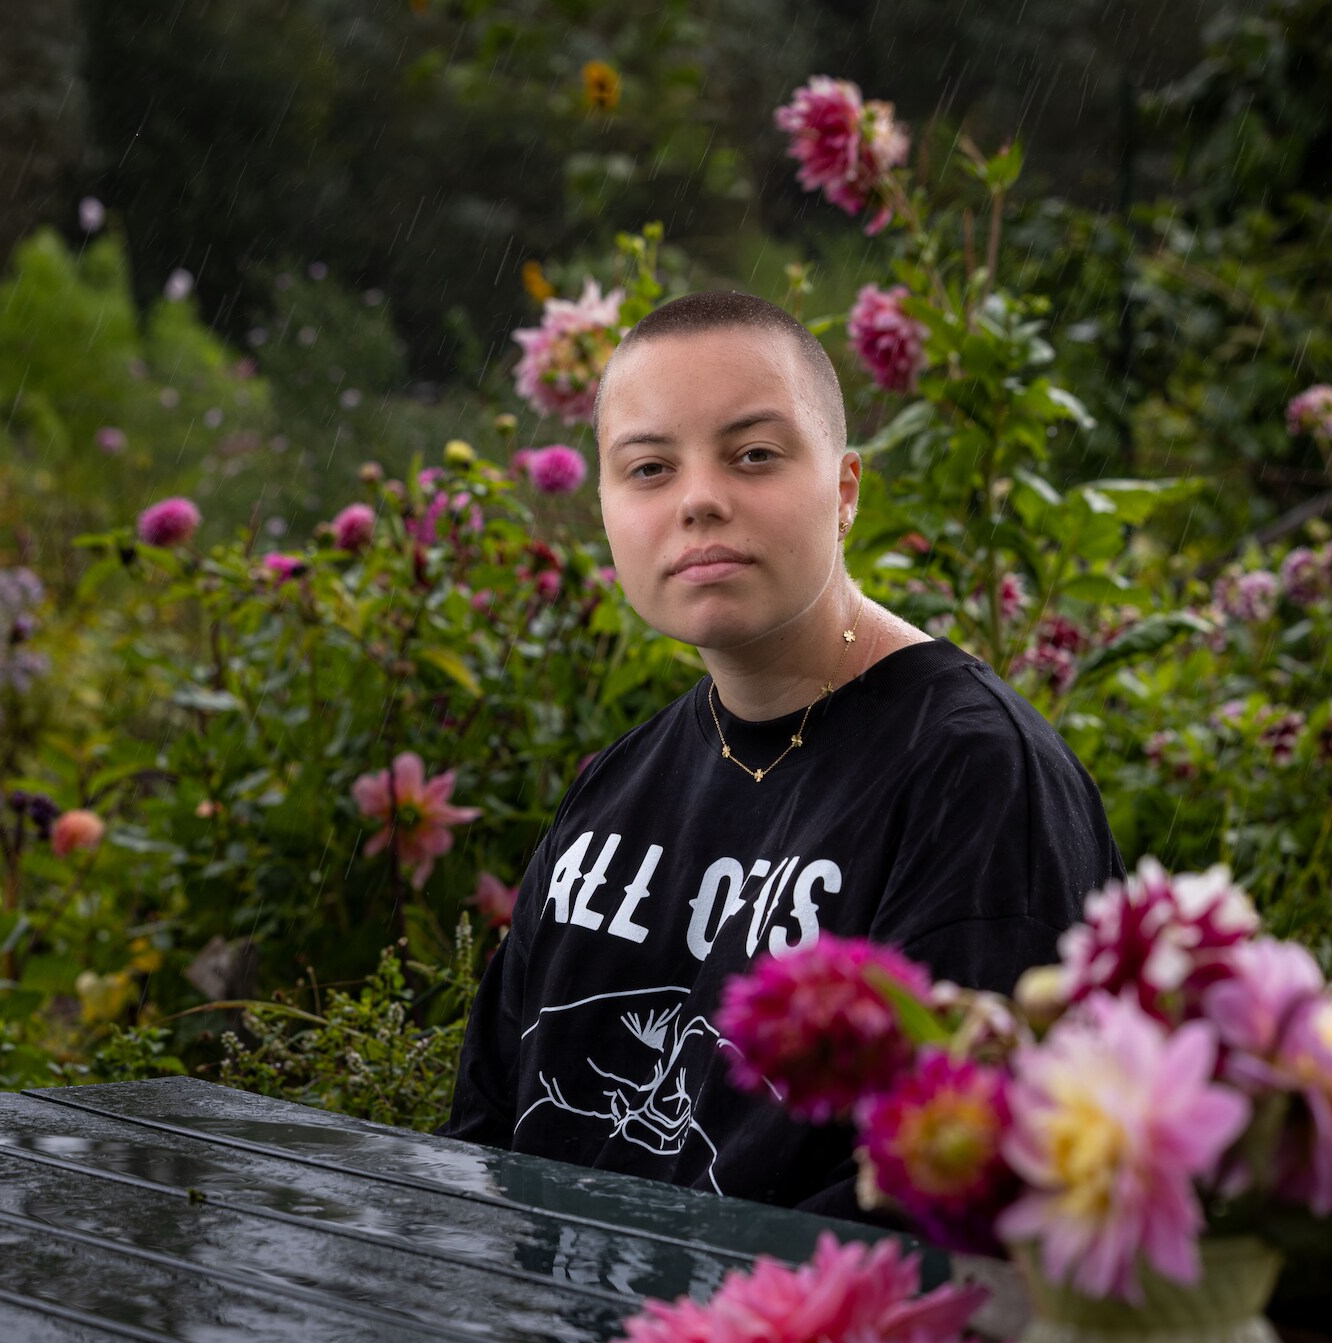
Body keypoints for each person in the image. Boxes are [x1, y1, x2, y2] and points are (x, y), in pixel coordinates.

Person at [437, 290, 1124, 1219]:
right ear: (603, 507)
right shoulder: (616, 787)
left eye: (754, 455)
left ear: (844, 490)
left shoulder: (976, 778)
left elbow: (953, 1189)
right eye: (648, 468)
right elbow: (484, 1129)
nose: (700, 501)